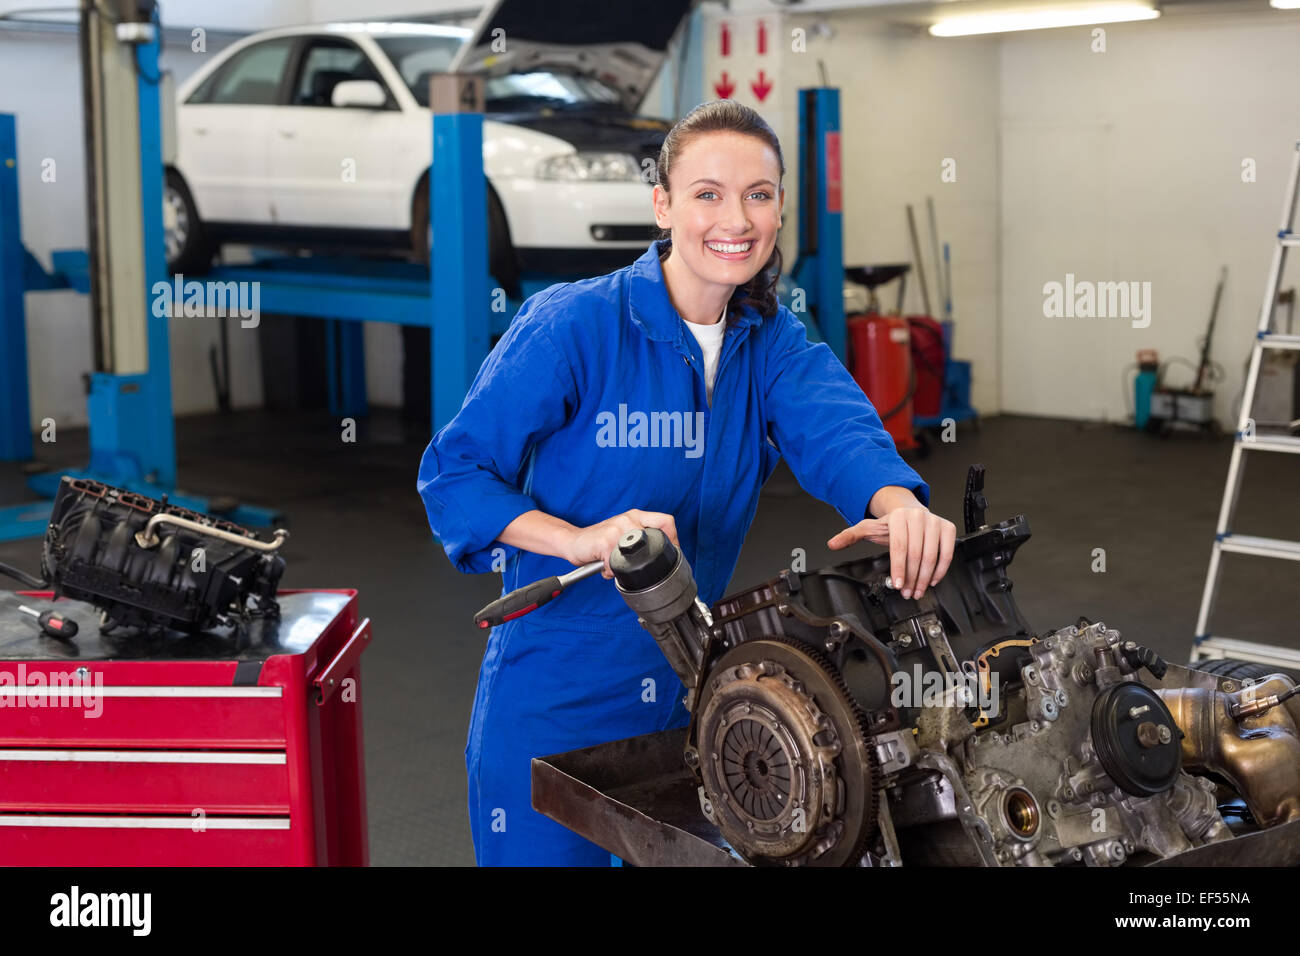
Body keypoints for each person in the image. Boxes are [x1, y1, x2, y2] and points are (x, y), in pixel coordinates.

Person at [417, 99, 957, 866]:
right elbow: (456, 473)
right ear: (664, 206)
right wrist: (578, 539)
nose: (734, 218)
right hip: (554, 697)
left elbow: (836, 426)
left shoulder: (768, 338)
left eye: (758, 195)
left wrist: (896, 503)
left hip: (693, 695)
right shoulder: (573, 324)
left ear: (778, 212)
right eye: (707, 193)